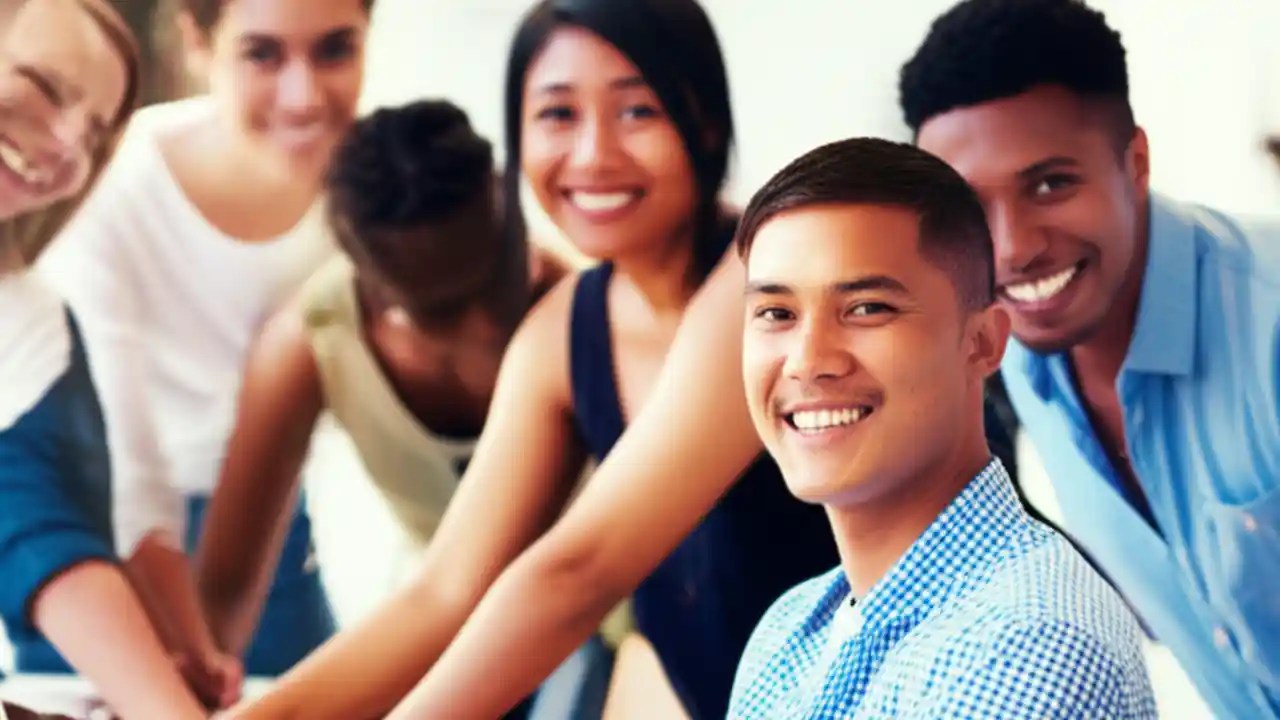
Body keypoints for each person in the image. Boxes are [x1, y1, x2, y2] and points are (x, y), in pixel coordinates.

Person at [231, 1, 840, 718]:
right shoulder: (562, 333)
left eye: (637, 112)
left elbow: (579, 570)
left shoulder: (760, 274)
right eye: (557, 115)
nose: (592, 155)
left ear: (704, 121)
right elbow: (445, 593)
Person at [900, 0, 1280, 717]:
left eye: (1050, 184)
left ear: (1134, 163)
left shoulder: (1269, 319)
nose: (1011, 248)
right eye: (968, 205)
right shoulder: (1010, 357)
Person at [195, 98, 611, 718]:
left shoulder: (591, 319)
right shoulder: (312, 342)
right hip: (444, 633)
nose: (485, 325)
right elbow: (224, 597)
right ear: (372, 289)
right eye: (442, 311)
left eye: (496, 273)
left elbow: (573, 581)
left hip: (600, 631)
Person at [727, 136, 1156, 719]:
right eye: (777, 314)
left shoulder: (1026, 648)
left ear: (981, 342)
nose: (808, 359)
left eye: (867, 308)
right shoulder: (790, 629)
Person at [37, 0, 373, 679]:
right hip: (111, 534)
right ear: (197, 41)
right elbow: (127, 458)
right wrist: (195, 650)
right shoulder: (113, 177)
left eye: (335, 50)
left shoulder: (383, 185)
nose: (304, 97)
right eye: (263, 54)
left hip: (275, 526)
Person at [0, 0, 211, 716]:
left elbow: (45, 525)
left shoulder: (30, 328)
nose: (66, 145)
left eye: (94, 132)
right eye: (46, 87)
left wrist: (164, 689)